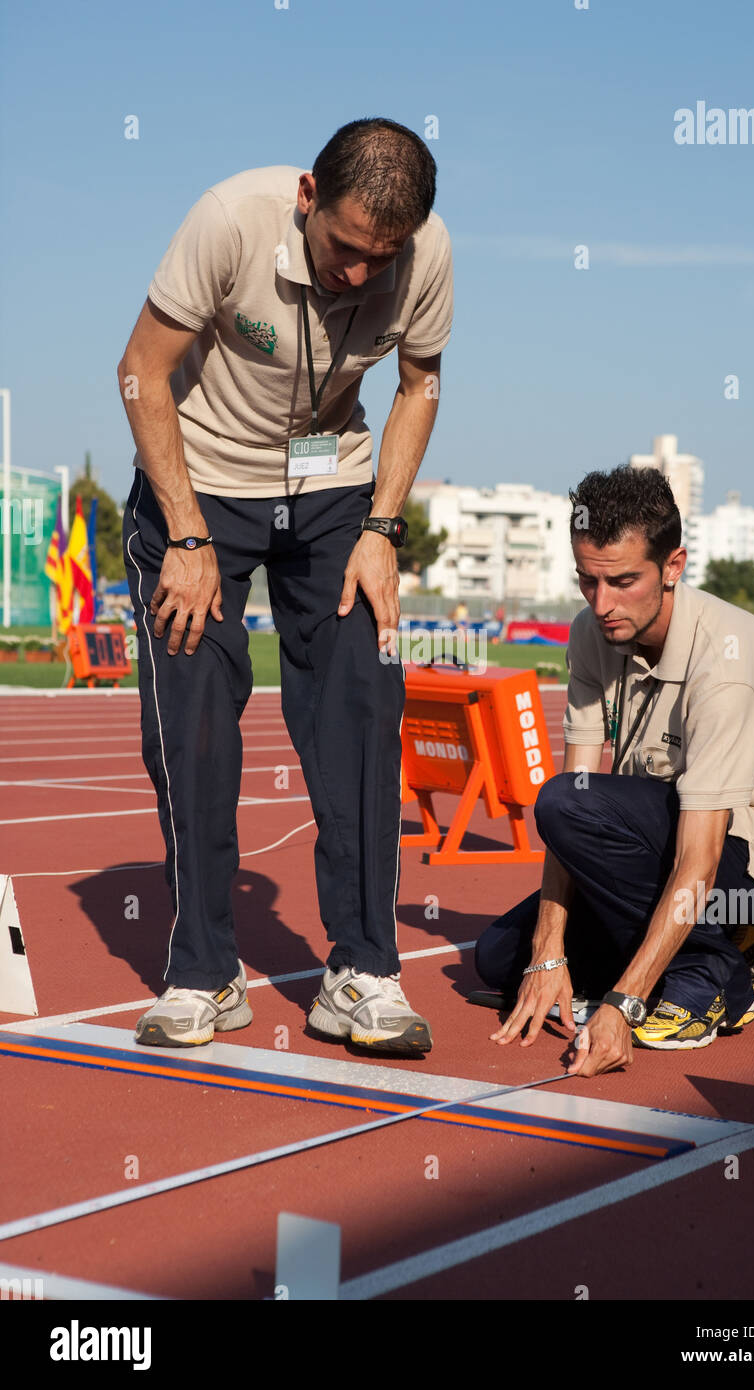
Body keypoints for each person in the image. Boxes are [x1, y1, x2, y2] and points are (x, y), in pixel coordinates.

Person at [118, 118, 452, 1054]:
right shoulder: (229, 220)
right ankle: (204, 972)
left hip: (330, 487)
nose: (357, 274)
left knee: (359, 708)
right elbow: (140, 372)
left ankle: (364, 970)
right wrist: (184, 533)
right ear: (308, 196)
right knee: (193, 723)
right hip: (202, 486)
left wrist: (384, 526)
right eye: (344, 248)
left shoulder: (424, 255)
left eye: (379, 259)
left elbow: (420, 383)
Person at [476, 466, 754, 1077]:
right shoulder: (591, 635)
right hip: (669, 834)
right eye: (587, 581)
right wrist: (547, 951)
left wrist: (624, 1000)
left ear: (674, 567)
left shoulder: (725, 660)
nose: (602, 603)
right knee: (498, 956)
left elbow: (697, 854)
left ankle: (724, 968)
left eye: (623, 581)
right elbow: (571, 824)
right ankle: (707, 951)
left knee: (566, 803)